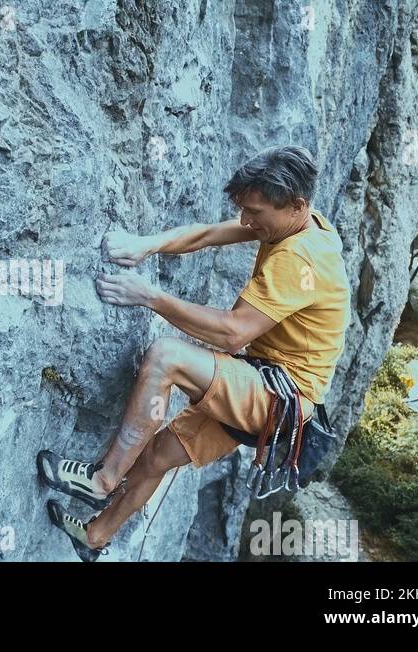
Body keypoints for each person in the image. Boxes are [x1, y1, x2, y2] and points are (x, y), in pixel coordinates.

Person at [38, 145, 352, 561]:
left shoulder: (301, 257)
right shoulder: (299, 224)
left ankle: (102, 479)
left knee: (166, 357)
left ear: (296, 204)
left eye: (254, 212)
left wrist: (150, 296)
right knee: (155, 457)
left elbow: (232, 333)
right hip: (268, 387)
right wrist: (146, 245)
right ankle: (94, 536)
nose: (245, 221)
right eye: (245, 209)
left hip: (277, 397)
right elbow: (209, 234)